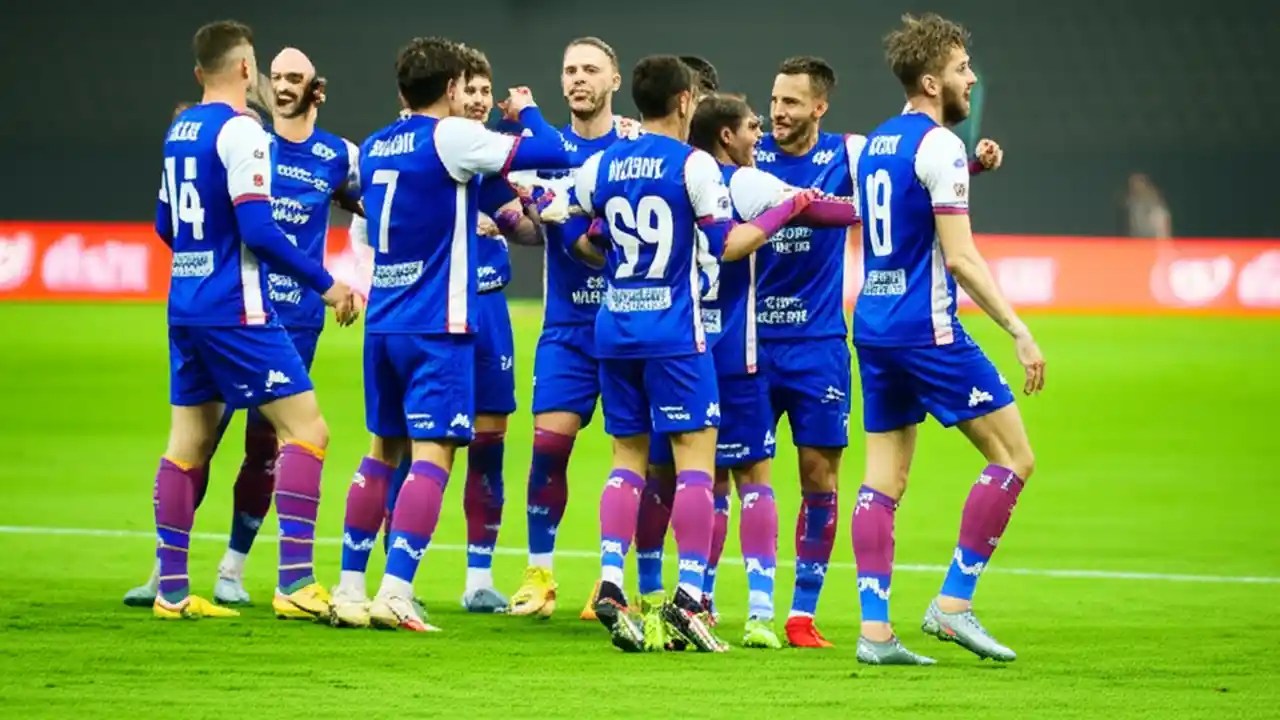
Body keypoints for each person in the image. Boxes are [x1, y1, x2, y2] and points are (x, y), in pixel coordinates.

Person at [328, 36, 570, 632]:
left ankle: (350, 587)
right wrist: (526, 112)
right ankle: (396, 591)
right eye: (467, 87)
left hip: (384, 319)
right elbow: (553, 150)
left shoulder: (383, 142)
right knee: (435, 455)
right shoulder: (451, 136)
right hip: (438, 323)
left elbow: (361, 195)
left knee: (382, 451)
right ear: (452, 89)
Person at [574, 56, 815, 653]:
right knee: (696, 467)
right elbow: (727, 244)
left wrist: (613, 258)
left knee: (626, 458)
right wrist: (786, 208)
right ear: (686, 102)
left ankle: (609, 581)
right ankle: (688, 598)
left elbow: (578, 233)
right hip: (675, 335)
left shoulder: (602, 163)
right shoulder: (695, 164)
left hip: (614, 328)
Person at [850, 12, 1045, 665]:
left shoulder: (880, 142)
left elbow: (905, 208)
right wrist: (1018, 330)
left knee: (883, 480)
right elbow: (960, 260)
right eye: (963, 69)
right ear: (932, 81)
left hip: (874, 326)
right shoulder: (938, 147)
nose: (971, 79)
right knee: (1014, 457)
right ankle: (953, 604)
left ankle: (875, 632)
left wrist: (968, 169)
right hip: (926, 329)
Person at [151, 20, 358, 620]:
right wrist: (326, 284)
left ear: (200, 71)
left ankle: (170, 592)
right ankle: (295, 581)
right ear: (247, 70)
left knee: (187, 444)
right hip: (236, 308)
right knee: (308, 431)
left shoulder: (180, 129)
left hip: (184, 303)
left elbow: (165, 227)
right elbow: (260, 231)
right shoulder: (244, 131)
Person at [505, 37, 629, 619]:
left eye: (590, 70)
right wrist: (514, 218)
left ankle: (613, 580)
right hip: (566, 329)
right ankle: (540, 574)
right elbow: (536, 232)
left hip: (629, 324)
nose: (578, 79)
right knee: (547, 450)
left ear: (615, 80)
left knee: (634, 458)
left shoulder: (633, 147)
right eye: (569, 70)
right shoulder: (540, 150)